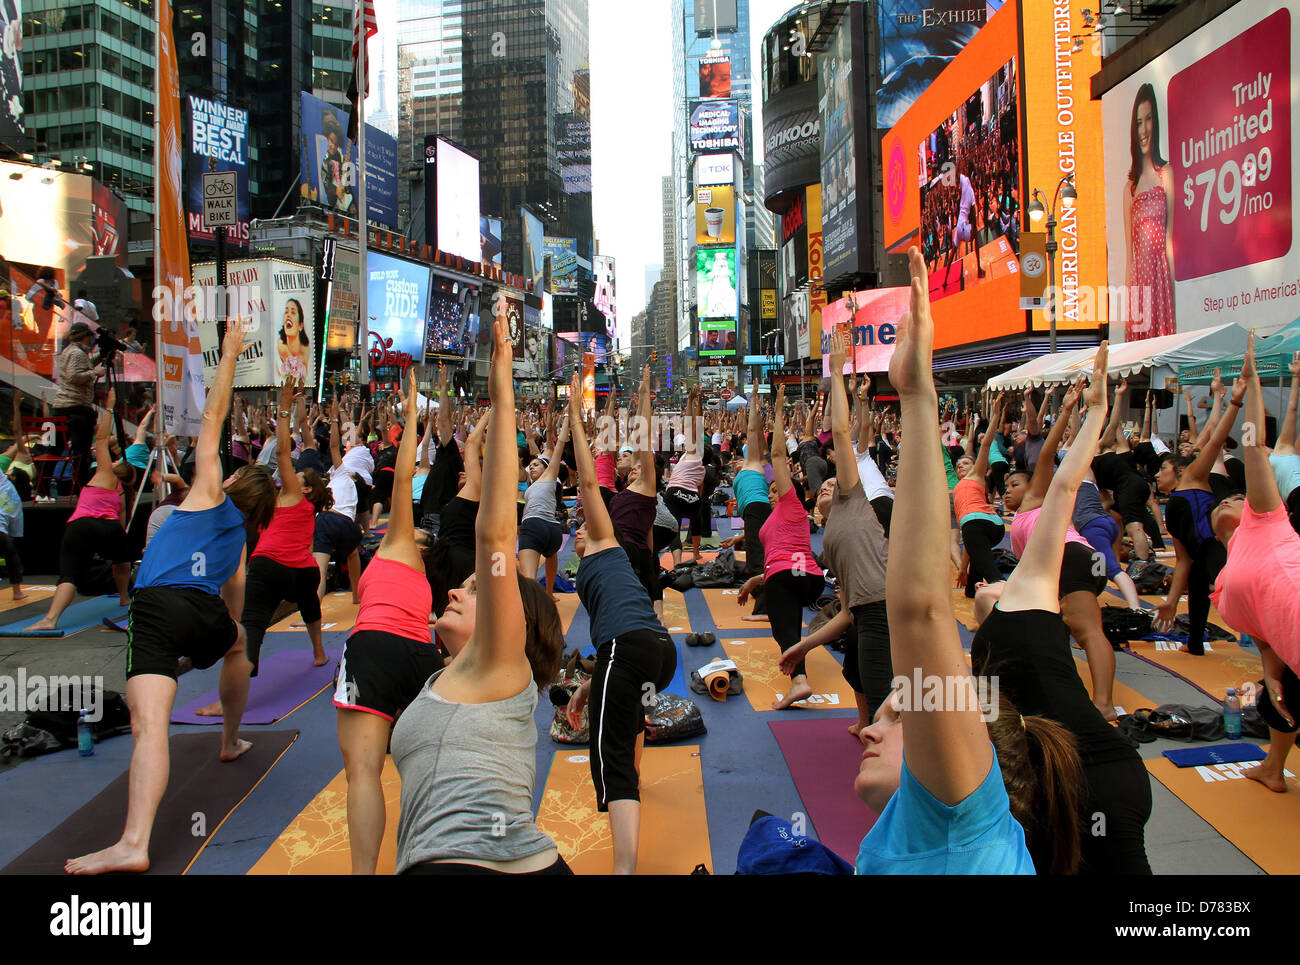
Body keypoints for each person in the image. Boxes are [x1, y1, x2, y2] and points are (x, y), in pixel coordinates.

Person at [855, 249, 1080, 874]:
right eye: (894, 715)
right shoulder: (953, 830)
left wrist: (917, 394)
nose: (870, 730)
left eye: (899, 716)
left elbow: (923, 610)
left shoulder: (962, 824)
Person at [65, 323, 278, 875]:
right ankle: (230, 740)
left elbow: (212, 417)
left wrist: (229, 353)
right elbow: (235, 596)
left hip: (158, 608)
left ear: (235, 482)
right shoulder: (239, 536)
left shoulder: (211, 491)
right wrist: (228, 635)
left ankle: (135, 841)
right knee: (238, 647)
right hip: (204, 613)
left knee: (149, 729)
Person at [392, 316, 568, 875]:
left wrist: (503, 384)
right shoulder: (441, 675)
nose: (455, 590)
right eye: (468, 588)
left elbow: (494, 535)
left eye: (475, 591)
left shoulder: (502, 665)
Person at [971, 342, 1153, 874]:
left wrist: (1094, 411)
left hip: (1101, 770)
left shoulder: (1030, 593)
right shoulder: (983, 653)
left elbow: (1066, 484)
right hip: (1050, 783)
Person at [563, 370, 676, 875]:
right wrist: (587, 689)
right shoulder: (589, 567)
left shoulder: (607, 540)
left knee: (607, 763)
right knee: (625, 717)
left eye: (582, 524)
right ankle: (632, 779)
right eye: (578, 528)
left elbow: (589, 480)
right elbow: (611, 641)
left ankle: (624, 870)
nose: (579, 528)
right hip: (655, 649)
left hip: (632, 645)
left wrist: (573, 415)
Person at [333, 369, 444, 874]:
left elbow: (402, 478)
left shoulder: (400, 544)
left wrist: (412, 416)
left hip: (375, 648)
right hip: (423, 655)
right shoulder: (425, 582)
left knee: (363, 772)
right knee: (430, 771)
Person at [779, 328, 891, 735]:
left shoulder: (853, 500)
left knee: (884, 696)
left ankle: (894, 766)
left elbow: (842, 434)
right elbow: (845, 610)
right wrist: (804, 645)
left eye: (833, 483)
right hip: (864, 610)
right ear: (815, 505)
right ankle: (863, 722)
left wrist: (839, 372)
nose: (829, 485)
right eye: (822, 487)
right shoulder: (827, 539)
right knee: (855, 673)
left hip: (885, 608)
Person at [1210, 334, 1300, 794]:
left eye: (1241, 496)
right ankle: (1272, 770)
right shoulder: (1224, 581)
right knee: (1277, 704)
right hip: (1292, 650)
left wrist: (1252, 384)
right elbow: (1266, 638)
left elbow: (1254, 448)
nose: (1236, 499)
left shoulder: (1263, 521)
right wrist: (1270, 676)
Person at [737, 383, 826, 710]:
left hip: (793, 574)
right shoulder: (778, 519)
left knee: (784, 630)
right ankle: (801, 669)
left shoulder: (791, 506)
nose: (772, 492)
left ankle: (799, 681)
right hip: (803, 574)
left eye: (776, 488)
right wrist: (754, 580)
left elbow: (775, 455)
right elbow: (782, 561)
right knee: (786, 617)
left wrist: (775, 408)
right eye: (770, 490)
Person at [1152, 370, 1245, 654]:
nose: (1157, 475)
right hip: (1199, 553)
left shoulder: (1194, 476)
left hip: (1217, 547)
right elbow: (1182, 560)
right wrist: (1169, 599)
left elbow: (1215, 439)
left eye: (1162, 469)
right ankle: (1195, 644)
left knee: (1231, 589)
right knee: (1194, 584)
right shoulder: (1171, 508)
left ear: (1179, 471)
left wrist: (1233, 403)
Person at [25, 390, 135, 631]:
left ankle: (50, 619)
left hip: (84, 525)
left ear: (116, 467)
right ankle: (124, 597)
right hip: (111, 528)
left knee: (69, 575)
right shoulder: (122, 491)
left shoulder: (105, 474)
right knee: (122, 559)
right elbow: (122, 528)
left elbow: (102, 439)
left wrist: (109, 408)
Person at [608, 366, 665, 619]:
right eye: (633, 466)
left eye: (641, 466)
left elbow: (644, 438)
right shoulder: (627, 489)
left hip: (631, 549)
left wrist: (645, 395)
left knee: (635, 603)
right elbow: (649, 529)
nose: (635, 467)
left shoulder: (646, 487)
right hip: (626, 549)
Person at [1123, 83, 1175, 341]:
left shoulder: (1166, 175)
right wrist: (1128, 307)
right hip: (1139, 280)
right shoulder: (1130, 188)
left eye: (1149, 119)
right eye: (1138, 122)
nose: (1143, 129)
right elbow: (1129, 255)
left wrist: (1172, 290)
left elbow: (1171, 239)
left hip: (1161, 275)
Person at [954, 396, 1008, 599]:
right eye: (959, 465)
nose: (961, 466)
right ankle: (974, 587)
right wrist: (963, 569)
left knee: (993, 576)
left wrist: (994, 416)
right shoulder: (958, 487)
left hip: (981, 522)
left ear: (974, 465)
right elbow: (970, 544)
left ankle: (1005, 593)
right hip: (980, 526)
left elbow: (984, 445)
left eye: (965, 463)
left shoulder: (977, 475)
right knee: (971, 588)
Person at [518, 412, 570, 592]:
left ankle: (532, 613)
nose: (532, 467)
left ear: (547, 468)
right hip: (552, 530)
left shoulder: (550, 476)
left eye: (536, 465)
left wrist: (566, 421)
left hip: (534, 526)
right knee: (550, 557)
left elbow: (558, 445)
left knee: (528, 580)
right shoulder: (530, 485)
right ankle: (548, 594)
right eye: (530, 465)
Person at [52, 320, 105, 491]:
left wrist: (100, 358)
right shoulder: (77, 353)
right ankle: (82, 487)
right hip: (76, 407)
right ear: (85, 337)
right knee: (81, 450)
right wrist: (94, 373)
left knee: (56, 447)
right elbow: (74, 375)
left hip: (61, 406)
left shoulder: (70, 351)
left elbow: (80, 367)